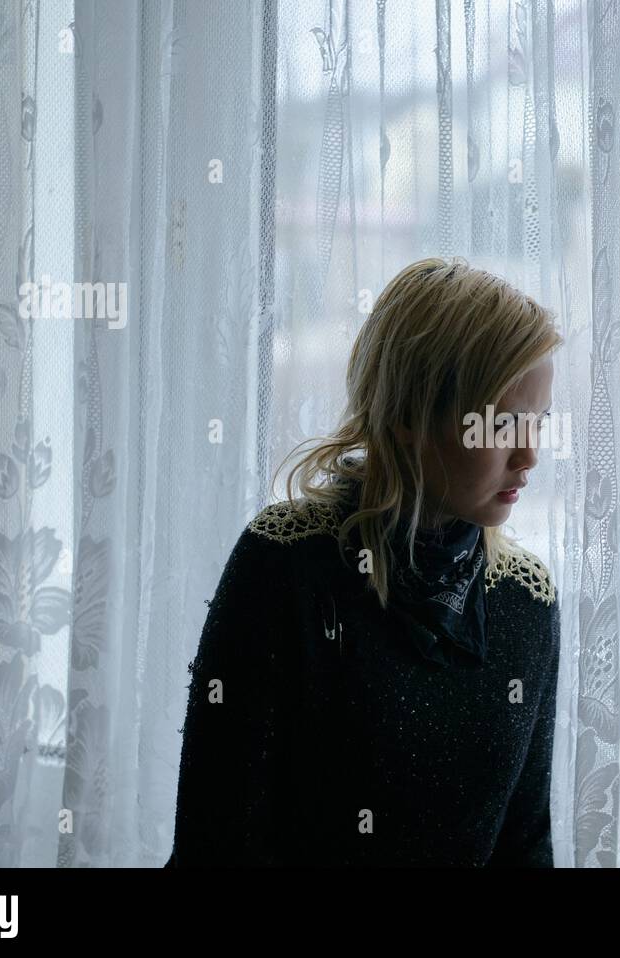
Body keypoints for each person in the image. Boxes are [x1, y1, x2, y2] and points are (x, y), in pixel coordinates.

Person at [166, 256, 563, 866]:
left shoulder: (525, 601)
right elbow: (216, 842)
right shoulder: (284, 565)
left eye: (537, 422)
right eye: (501, 424)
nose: (529, 455)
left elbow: (525, 843)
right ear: (409, 416)